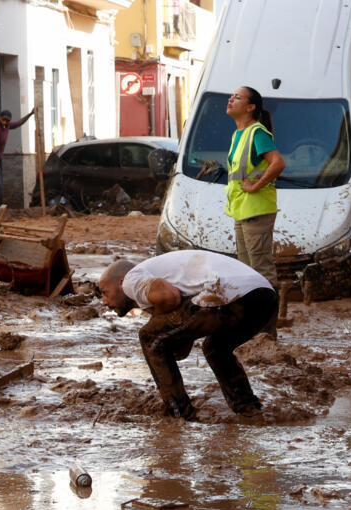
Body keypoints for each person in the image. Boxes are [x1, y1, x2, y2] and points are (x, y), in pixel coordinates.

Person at [98, 250, 278, 419]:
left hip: (229, 292)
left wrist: (168, 335)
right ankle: (249, 410)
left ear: (121, 283)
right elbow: (182, 317)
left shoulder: (132, 280)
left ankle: (180, 416)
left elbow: (170, 297)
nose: (104, 302)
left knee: (149, 337)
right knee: (215, 348)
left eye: (105, 292)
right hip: (264, 298)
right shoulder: (156, 272)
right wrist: (181, 339)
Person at [224, 86, 286, 288]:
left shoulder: (257, 133)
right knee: (246, 268)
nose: (231, 99)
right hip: (243, 209)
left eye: (237, 97)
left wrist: (256, 186)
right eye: (231, 96)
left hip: (257, 209)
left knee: (260, 268)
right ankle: (252, 313)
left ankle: (269, 315)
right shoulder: (237, 134)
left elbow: (278, 163)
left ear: (250, 107)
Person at [0, 108, 35, 214]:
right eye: (3, 120)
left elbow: (18, 123)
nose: (5, 122)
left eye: (7, 120)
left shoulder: (7, 126)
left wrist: (30, 114)